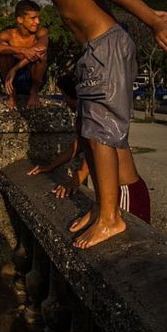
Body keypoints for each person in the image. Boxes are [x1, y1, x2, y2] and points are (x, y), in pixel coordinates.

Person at [7, 0, 167, 248]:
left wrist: (152, 21)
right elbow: (99, 1)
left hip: (105, 48)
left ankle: (111, 219)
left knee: (102, 134)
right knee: (88, 132)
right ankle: (103, 208)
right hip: (95, 52)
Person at [26, 75, 151, 224]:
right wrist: (50, 167)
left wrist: (76, 179)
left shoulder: (92, 113)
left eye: (64, 96)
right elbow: (77, 146)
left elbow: (96, 149)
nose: (64, 102)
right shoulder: (84, 113)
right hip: (117, 190)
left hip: (125, 189)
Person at [0, 0, 48, 109]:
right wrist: (22, 50)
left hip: (34, 78)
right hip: (12, 80)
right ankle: (11, 94)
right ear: (20, 19)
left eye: (38, 18)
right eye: (33, 18)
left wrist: (15, 68)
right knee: (2, 52)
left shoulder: (41, 31)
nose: (37, 22)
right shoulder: (9, 34)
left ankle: (34, 93)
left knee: (42, 54)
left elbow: (41, 48)